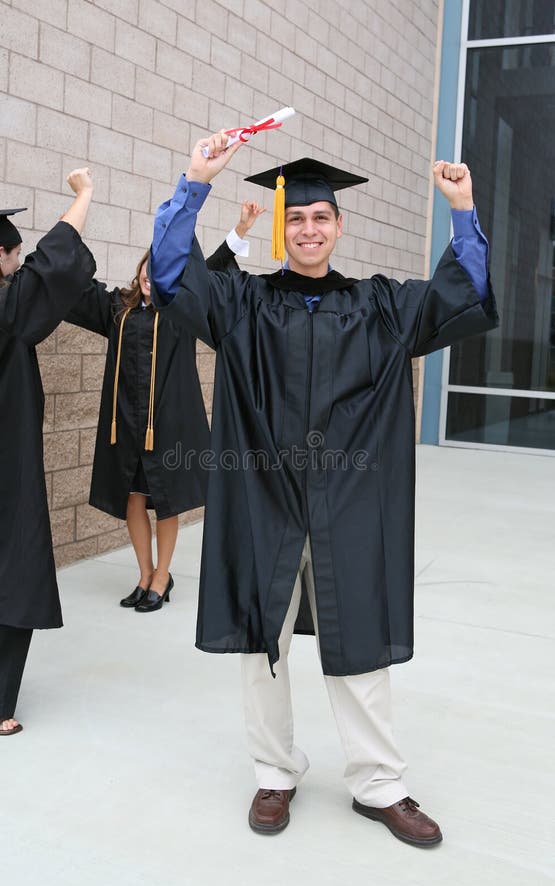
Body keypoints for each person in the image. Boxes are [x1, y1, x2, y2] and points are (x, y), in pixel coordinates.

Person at [149, 133, 499, 846]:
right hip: (261, 495)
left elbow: (461, 293)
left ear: (339, 227)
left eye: (321, 218)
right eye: (297, 219)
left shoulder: (379, 306)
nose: (309, 229)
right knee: (260, 640)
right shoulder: (241, 304)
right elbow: (172, 272)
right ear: (283, 228)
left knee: (360, 637)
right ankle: (275, 774)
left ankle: (380, 785)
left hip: (350, 498)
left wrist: (462, 209)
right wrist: (194, 181)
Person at [64, 201, 265, 612]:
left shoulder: (179, 314)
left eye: (162, 271)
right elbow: (75, 290)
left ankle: (162, 576)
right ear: (140, 269)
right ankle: (144, 574)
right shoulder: (116, 309)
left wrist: (240, 230)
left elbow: (209, 271)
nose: (151, 276)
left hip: (166, 425)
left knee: (166, 502)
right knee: (133, 500)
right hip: (127, 424)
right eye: (148, 267)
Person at [0, 171, 96, 736]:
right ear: (0, 254)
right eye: (12, 255)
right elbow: (55, 262)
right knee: (9, 573)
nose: (18, 264)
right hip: (1, 465)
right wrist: (82, 196)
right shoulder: (1, 315)